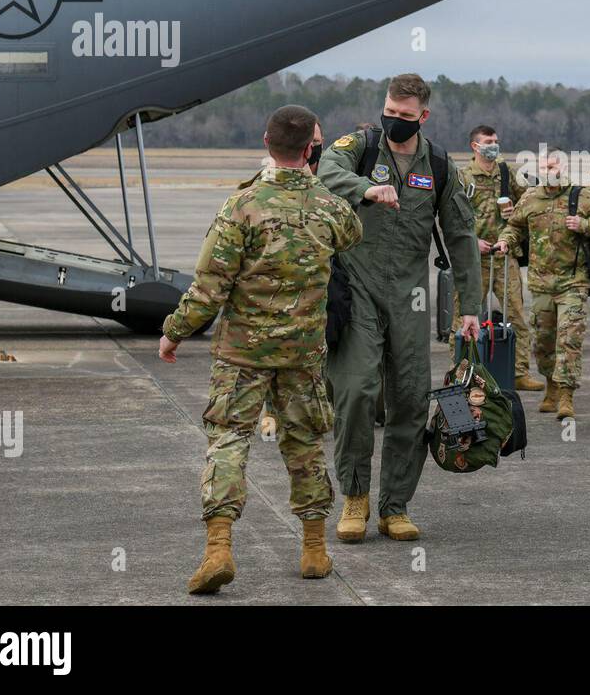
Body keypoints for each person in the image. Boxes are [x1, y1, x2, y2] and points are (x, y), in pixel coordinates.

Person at [159, 105, 362, 595]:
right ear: (311, 149)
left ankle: (220, 549)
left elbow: (209, 286)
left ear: (266, 143)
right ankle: (314, 548)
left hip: (242, 355)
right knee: (305, 444)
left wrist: (174, 331)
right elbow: (353, 235)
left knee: (229, 441)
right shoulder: (332, 208)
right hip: (303, 352)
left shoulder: (243, 205)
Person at [318, 74, 482, 542]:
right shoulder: (362, 145)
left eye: (405, 115)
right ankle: (354, 497)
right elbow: (328, 168)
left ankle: (395, 505)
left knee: (410, 398)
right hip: (358, 287)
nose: (394, 119)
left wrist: (469, 305)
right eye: (391, 110)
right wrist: (365, 188)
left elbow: (461, 235)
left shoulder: (441, 166)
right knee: (355, 392)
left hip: (410, 296)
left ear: (423, 117)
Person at [496, 148, 590, 419]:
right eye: (544, 167)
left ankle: (566, 396)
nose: (549, 172)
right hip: (540, 284)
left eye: (553, 166)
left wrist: (585, 224)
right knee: (543, 343)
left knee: (569, 340)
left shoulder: (582, 196)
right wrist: (506, 241)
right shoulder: (530, 198)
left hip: (573, 283)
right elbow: (514, 226)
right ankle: (550, 385)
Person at [450, 125, 540, 392]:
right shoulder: (463, 176)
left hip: (503, 256)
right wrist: (470, 241)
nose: (494, 145)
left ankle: (520, 371)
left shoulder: (505, 171)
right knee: (463, 318)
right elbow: (451, 216)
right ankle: (461, 370)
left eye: (496, 141)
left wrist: (514, 218)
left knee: (516, 316)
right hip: (473, 259)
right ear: (475, 146)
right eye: (489, 141)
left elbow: (527, 202)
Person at [259, 120, 325, 440]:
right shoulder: (262, 186)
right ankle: (272, 416)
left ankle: (307, 418)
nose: (316, 146)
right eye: (314, 140)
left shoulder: (325, 185)